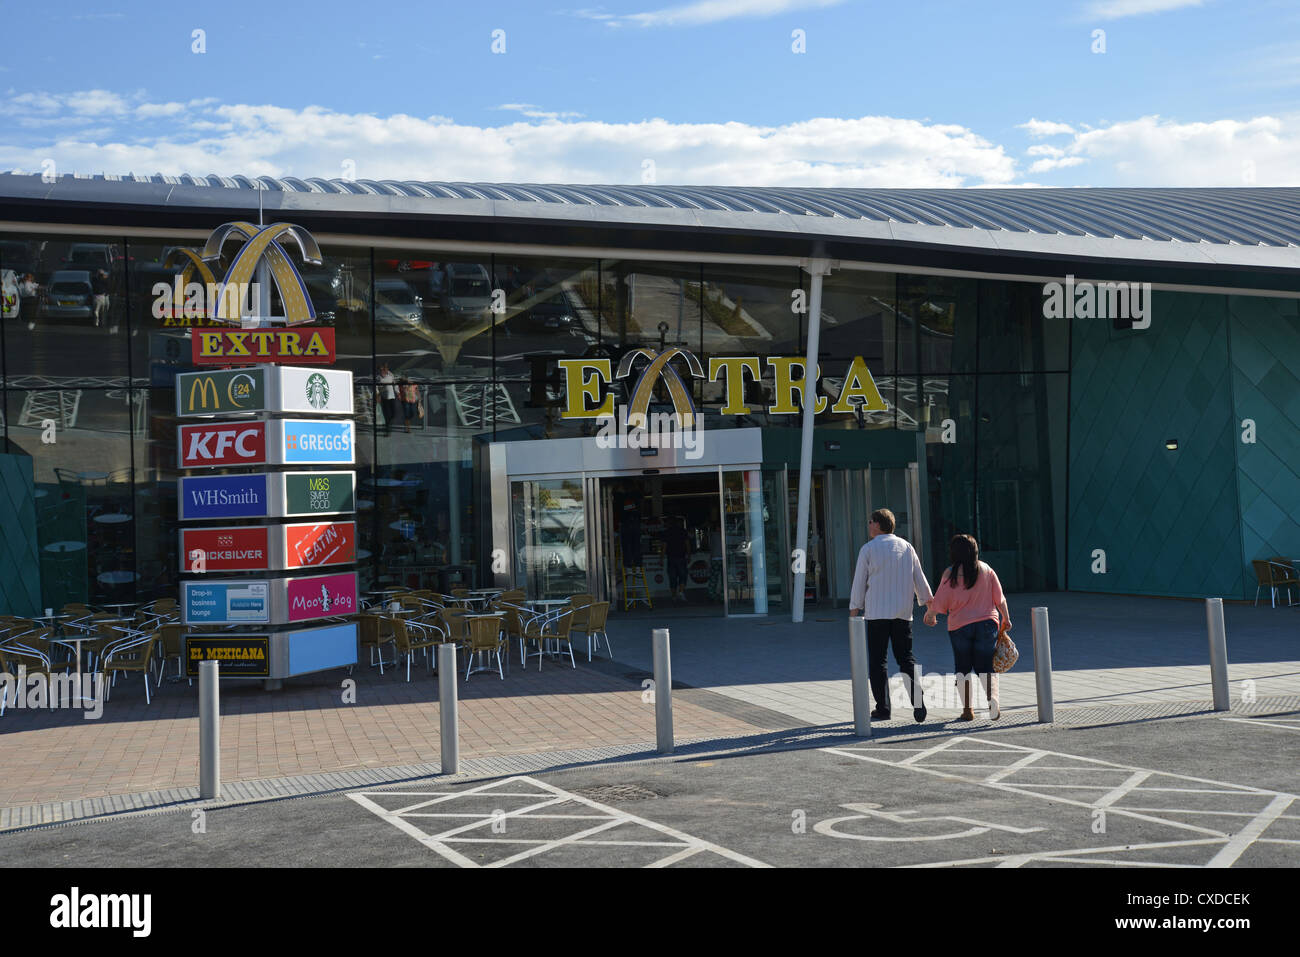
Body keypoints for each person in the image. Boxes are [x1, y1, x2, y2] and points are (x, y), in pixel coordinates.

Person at [849, 508, 933, 723]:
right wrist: (928, 604)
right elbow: (919, 578)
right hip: (902, 613)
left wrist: (854, 610)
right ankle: (918, 703)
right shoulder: (907, 547)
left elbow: (859, 582)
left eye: (870, 521)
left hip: (876, 613)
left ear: (877, 524)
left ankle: (883, 708)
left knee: (878, 661)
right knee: (906, 658)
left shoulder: (868, 549)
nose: (868, 525)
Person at [924, 534, 1010, 721]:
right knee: (986, 666)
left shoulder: (950, 573)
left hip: (959, 626)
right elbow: (999, 597)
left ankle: (967, 710)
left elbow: (940, 601)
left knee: (962, 668)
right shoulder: (986, 569)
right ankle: (993, 699)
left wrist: (931, 614)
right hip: (987, 624)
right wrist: (1006, 618)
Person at [662, 515, 689, 602]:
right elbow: (687, 544)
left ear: (669, 523)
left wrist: (661, 558)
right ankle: (680, 591)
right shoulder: (683, 531)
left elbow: (664, 546)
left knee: (672, 578)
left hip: (671, 558)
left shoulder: (667, 532)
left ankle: (674, 596)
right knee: (683, 576)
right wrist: (689, 555)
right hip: (681, 557)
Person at [377, 363, 398, 435]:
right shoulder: (378, 378)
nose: (382, 370)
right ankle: (387, 429)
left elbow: (395, 384)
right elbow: (376, 388)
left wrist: (398, 393)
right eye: (381, 369)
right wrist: (378, 396)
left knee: (394, 413)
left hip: (392, 397)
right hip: (384, 398)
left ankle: (388, 425)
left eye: (384, 369)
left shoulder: (390, 376)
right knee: (386, 414)